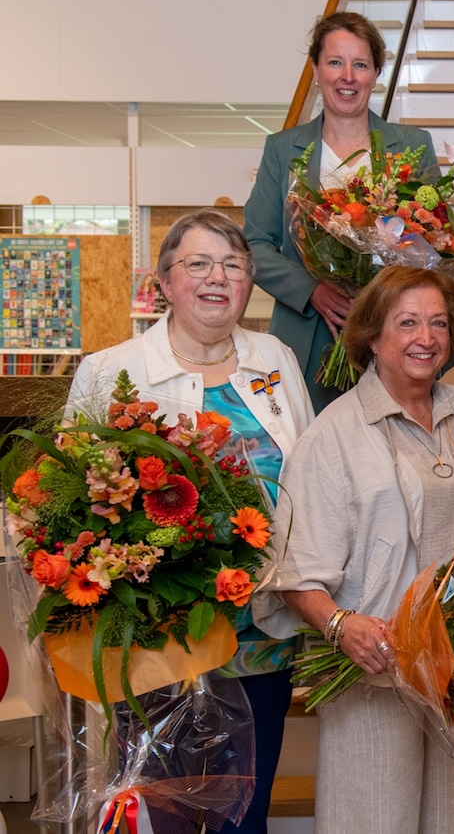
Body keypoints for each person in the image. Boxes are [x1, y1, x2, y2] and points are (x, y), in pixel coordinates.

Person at [69, 208, 315, 834]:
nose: (217, 277)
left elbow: (311, 474)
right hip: (158, 635)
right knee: (165, 811)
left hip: (262, 630)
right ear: (164, 281)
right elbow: (68, 502)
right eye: (198, 263)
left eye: (233, 265)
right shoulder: (110, 371)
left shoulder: (276, 358)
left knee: (245, 812)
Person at [255, 265, 454, 834]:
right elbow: (295, 572)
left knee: (453, 822)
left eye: (439, 323)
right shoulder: (332, 435)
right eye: (407, 322)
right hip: (373, 670)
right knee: (372, 822)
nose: (427, 337)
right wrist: (342, 626)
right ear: (372, 336)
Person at [244, 11, 440, 413]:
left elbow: (435, 239)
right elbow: (254, 243)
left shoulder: (413, 145)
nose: (347, 76)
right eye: (335, 62)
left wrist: (382, 293)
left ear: (376, 73)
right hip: (308, 336)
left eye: (360, 64)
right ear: (316, 70)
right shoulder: (282, 149)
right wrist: (311, 290)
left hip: (396, 336)